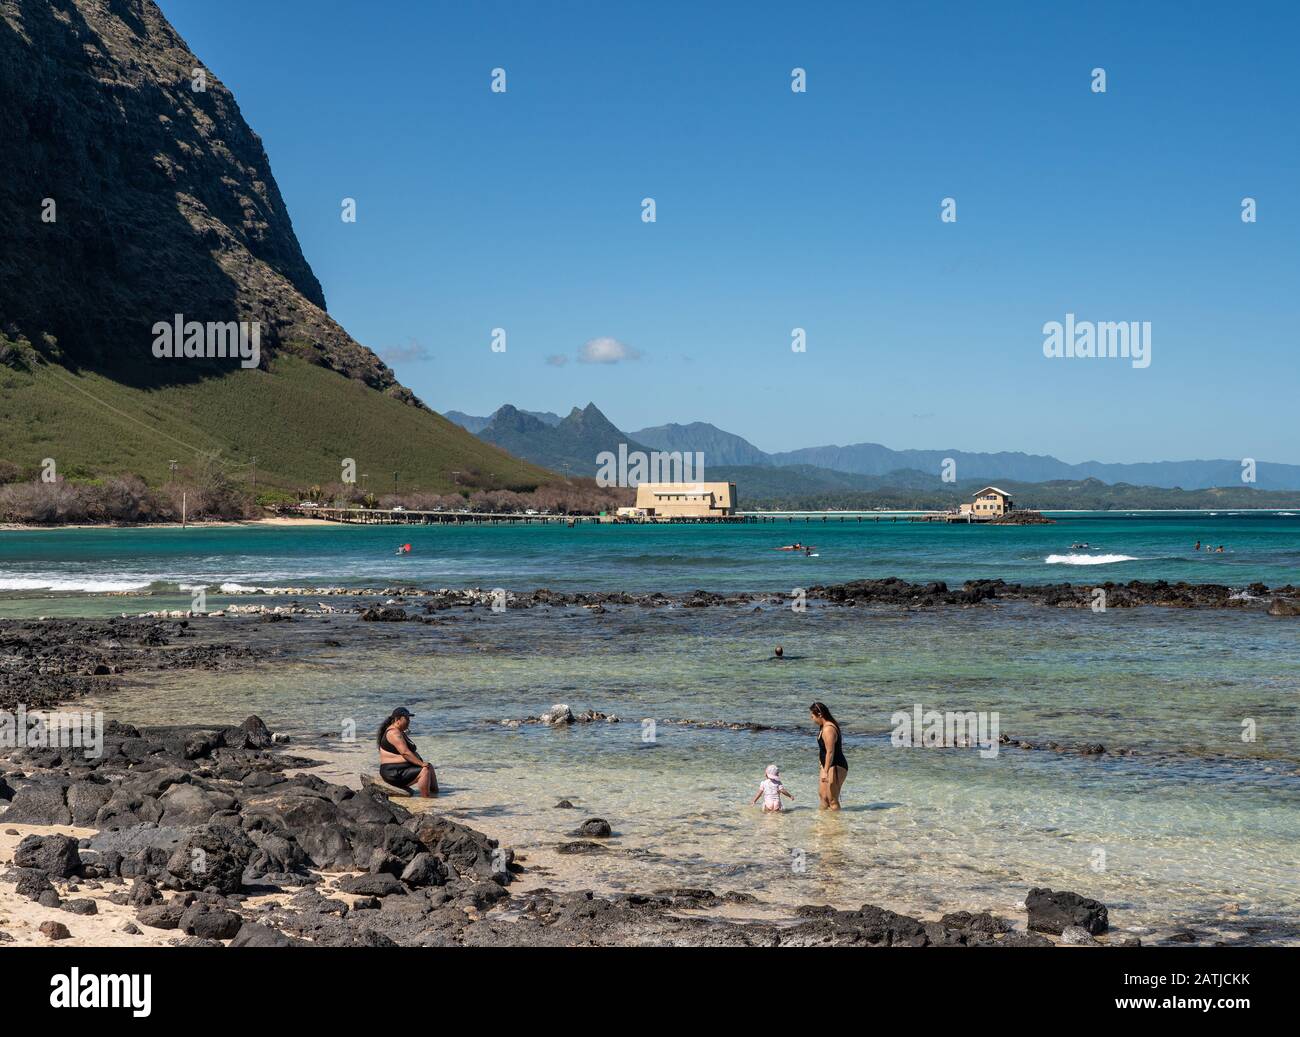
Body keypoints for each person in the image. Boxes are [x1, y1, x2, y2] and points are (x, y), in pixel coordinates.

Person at [377, 707, 437, 797]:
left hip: (399, 769)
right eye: (406, 719)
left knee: (429, 766)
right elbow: (405, 753)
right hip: (393, 772)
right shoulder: (393, 733)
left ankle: (436, 794)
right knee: (425, 770)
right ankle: (426, 799)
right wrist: (421, 763)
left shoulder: (399, 731)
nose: (409, 721)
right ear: (397, 719)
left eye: (409, 719)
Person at [810, 701, 847, 810]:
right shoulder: (822, 726)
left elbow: (830, 752)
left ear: (820, 715)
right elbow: (823, 750)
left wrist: (825, 772)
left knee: (832, 800)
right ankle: (823, 823)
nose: (812, 719)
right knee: (823, 797)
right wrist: (821, 765)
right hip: (826, 765)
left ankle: (837, 825)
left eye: (812, 716)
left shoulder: (828, 729)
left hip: (836, 766)